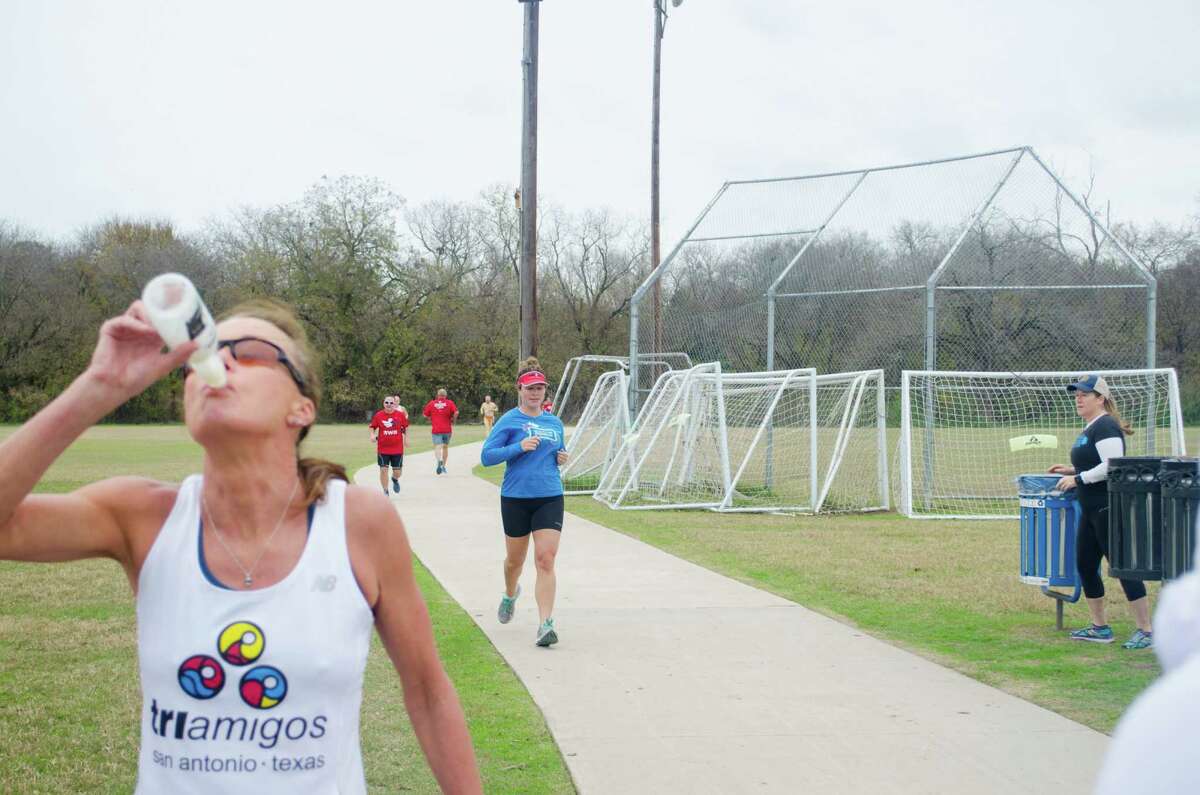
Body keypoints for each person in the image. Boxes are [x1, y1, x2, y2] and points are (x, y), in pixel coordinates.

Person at [0, 298, 482, 793]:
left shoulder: (358, 523)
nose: (220, 361)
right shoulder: (142, 516)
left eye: (250, 353)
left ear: (302, 409)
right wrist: (98, 387)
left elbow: (427, 692)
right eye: (206, 353)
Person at [1048, 373, 1153, 650]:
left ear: (1101, 398)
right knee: (1085, 564)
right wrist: (1072, 470)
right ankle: (1100, 627)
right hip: (1091, 508)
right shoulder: (1092, 427)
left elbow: (1111, 465)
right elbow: (1095, 462)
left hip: (1108, 507)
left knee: (1123, 567)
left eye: (1084, 394)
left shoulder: (1105, 426)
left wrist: (1078, 479)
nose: (1078, 398)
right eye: (1076, 394)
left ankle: (1146, 630)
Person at [480, 358, 569, 647]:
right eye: (530, 388)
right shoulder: (509, 420)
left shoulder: (554, 422)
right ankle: (509, 593)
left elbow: (559, 451)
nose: (535, 393)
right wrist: (518, 447)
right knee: (514, 562)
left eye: (540, 388)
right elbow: (487, 457)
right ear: (520, 389)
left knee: (546, 559)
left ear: (545, 391)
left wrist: (562, 457)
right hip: (516, 498)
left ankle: (545, 624)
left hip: (549, 495)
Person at [370, 395, 409, 496]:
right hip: (383, 448)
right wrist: (372, 435)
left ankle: (394, 479)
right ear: (383, 403)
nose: (389, 405)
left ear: (395, 404)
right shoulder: (378, 415)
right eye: (386, 402)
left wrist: (406, 439)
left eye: (391, 403)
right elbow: (372, 426)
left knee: (398, 472)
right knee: (383, 470)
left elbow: (406, 427)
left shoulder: (400, 415)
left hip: (397, 448)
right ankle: (385, 491)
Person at [423, 388, 458, 475]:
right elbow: (456, 412)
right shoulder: (450, 403)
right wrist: (453, 419)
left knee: (438, 446)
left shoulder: (432, 403)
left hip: (436, 429)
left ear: (438, 395)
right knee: (445, 447)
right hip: (447, 429)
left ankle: (439, 461)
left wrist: (430, 418)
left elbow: (424, 414)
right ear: (445, 395)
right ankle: (443, 466)